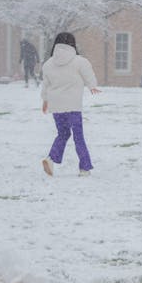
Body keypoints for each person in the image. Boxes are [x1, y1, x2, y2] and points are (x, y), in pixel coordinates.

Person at [40, 32, 101, 177]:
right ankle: (84, 168)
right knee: (78, 136)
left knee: (63, 133)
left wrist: (45, 100)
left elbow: (46, 85)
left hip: (56, 106)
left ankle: (51, 159)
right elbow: (88, 75)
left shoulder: (48, 64)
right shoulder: (79, 61)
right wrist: (92, 86)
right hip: (73, 106)